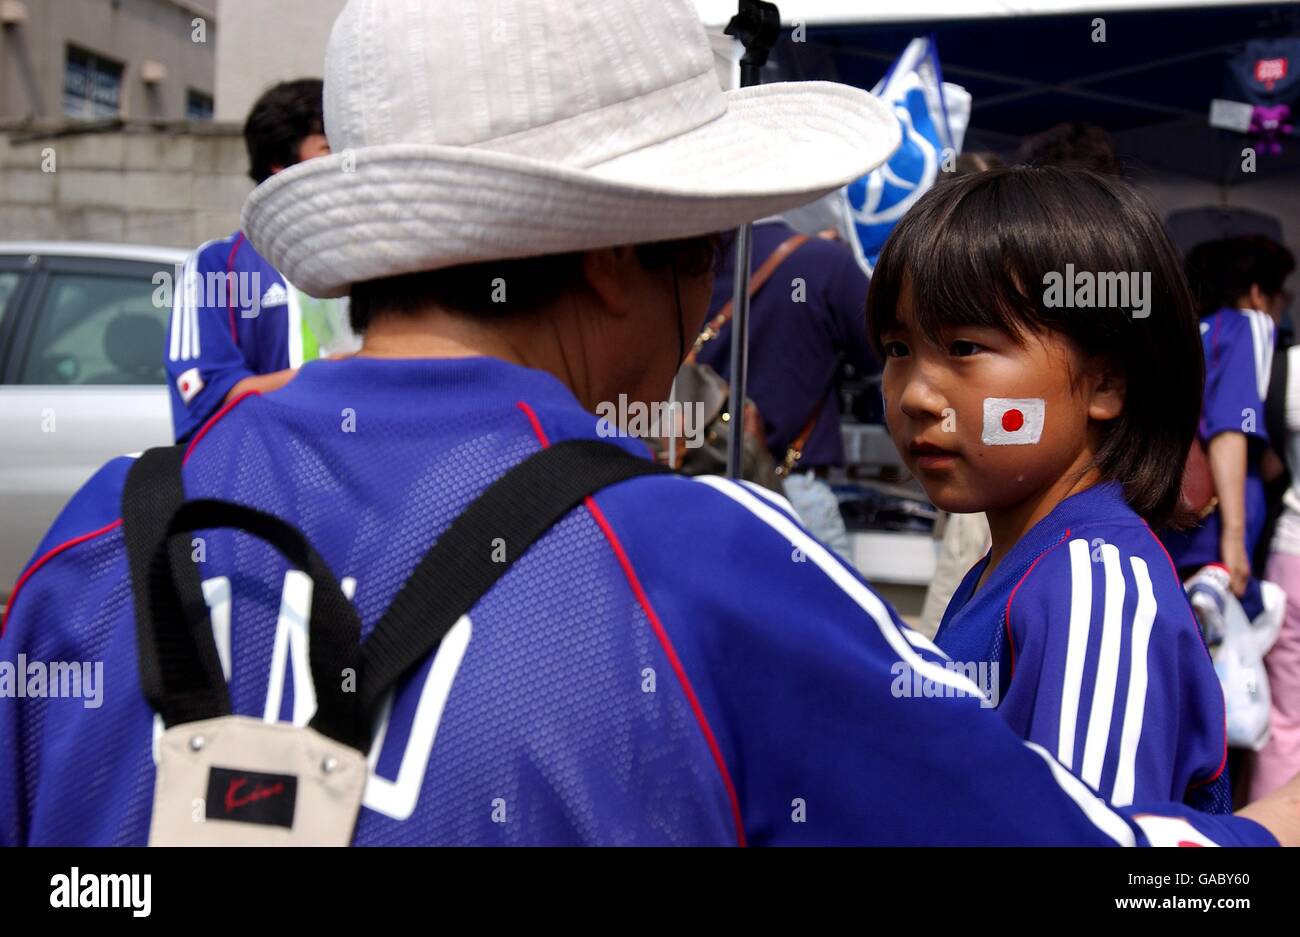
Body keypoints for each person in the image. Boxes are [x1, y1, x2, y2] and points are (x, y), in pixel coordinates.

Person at [1, 0, 1294, 847]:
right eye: (706, 261)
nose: (707, 322)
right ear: (622, 251)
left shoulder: (91, 542)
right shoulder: (695, 565)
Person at [872, 166, 1232, 811]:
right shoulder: (1005, 569)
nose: (917, 396)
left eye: (963, 345)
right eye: (897, 348)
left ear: (1105, 384)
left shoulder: (1092, 583)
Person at [164, 79, 352, 443]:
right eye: (329, 148)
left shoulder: (373, 254)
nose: (346, 163)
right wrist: (334, 375)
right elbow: (209, 401)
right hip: (264, 480)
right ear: (281, 165)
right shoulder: (217, 267)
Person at [697, 217, 876, 559]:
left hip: (693, 486)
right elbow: (879, 356)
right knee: (829, 611)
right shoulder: (824, 262)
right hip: (790, 487)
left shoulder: (687, 259)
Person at [1162, 237, 1294, 620]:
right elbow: (1229, 427)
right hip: (1214, 542)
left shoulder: (1184, 333)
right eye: (1281, 297)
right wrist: (1234, 542)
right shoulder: (1247, 326)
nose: (1282, 309)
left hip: (1174, 526)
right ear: (1256, 294)